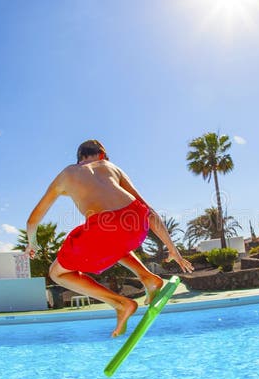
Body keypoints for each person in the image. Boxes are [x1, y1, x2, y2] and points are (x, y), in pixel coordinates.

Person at [25, 139, 194, 336]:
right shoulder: (111, 167)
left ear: (79, 158)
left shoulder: (67, 174)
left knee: (57, 273)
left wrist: (32, 243)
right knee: (112, 242)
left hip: (103, 229)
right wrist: (173, 249)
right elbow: (149, 210)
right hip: (136, 221)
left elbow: (32, 221)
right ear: (102, 155)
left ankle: (120, 304)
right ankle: (148, 277)